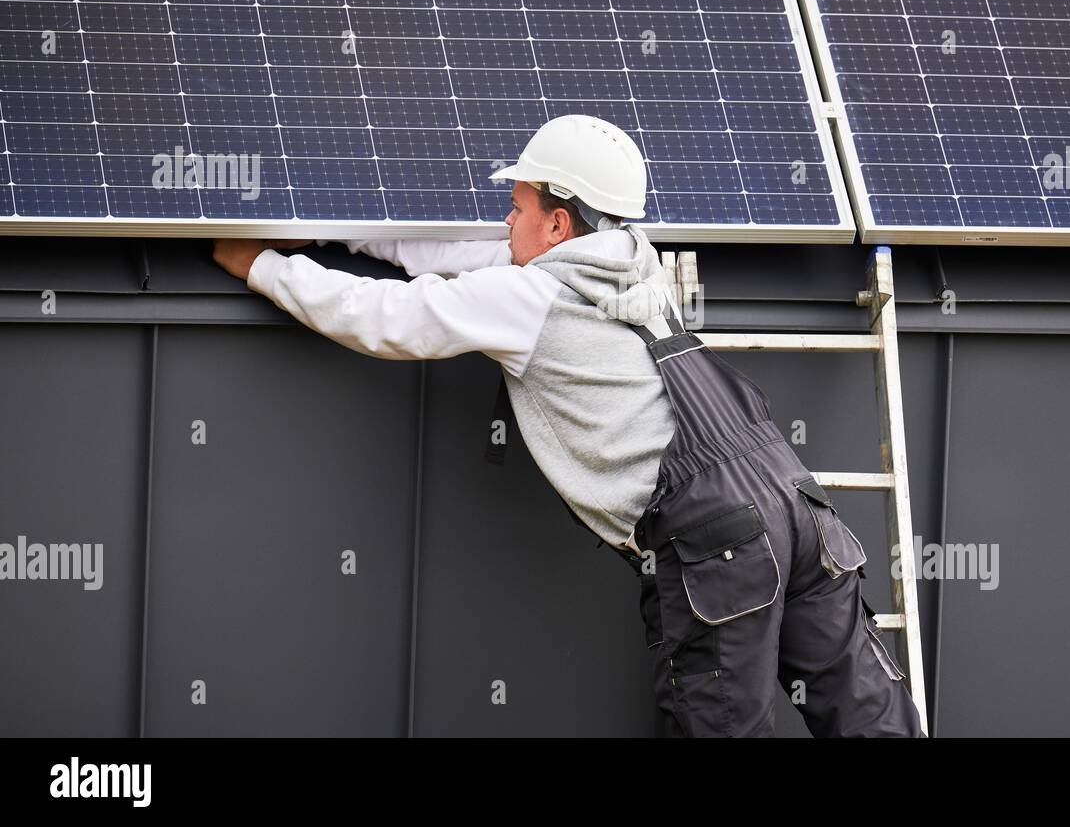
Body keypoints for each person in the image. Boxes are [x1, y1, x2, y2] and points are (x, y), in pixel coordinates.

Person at [212, 114, 925, 738]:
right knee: (867, 714)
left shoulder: (528, 299)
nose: (505, 222)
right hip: (795, 500)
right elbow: (459, 258)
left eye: (517, 207)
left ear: (557, 223)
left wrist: (266, 268)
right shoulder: (628, 261)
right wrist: (350, 233)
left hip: (724, 542)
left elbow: (386, 321)